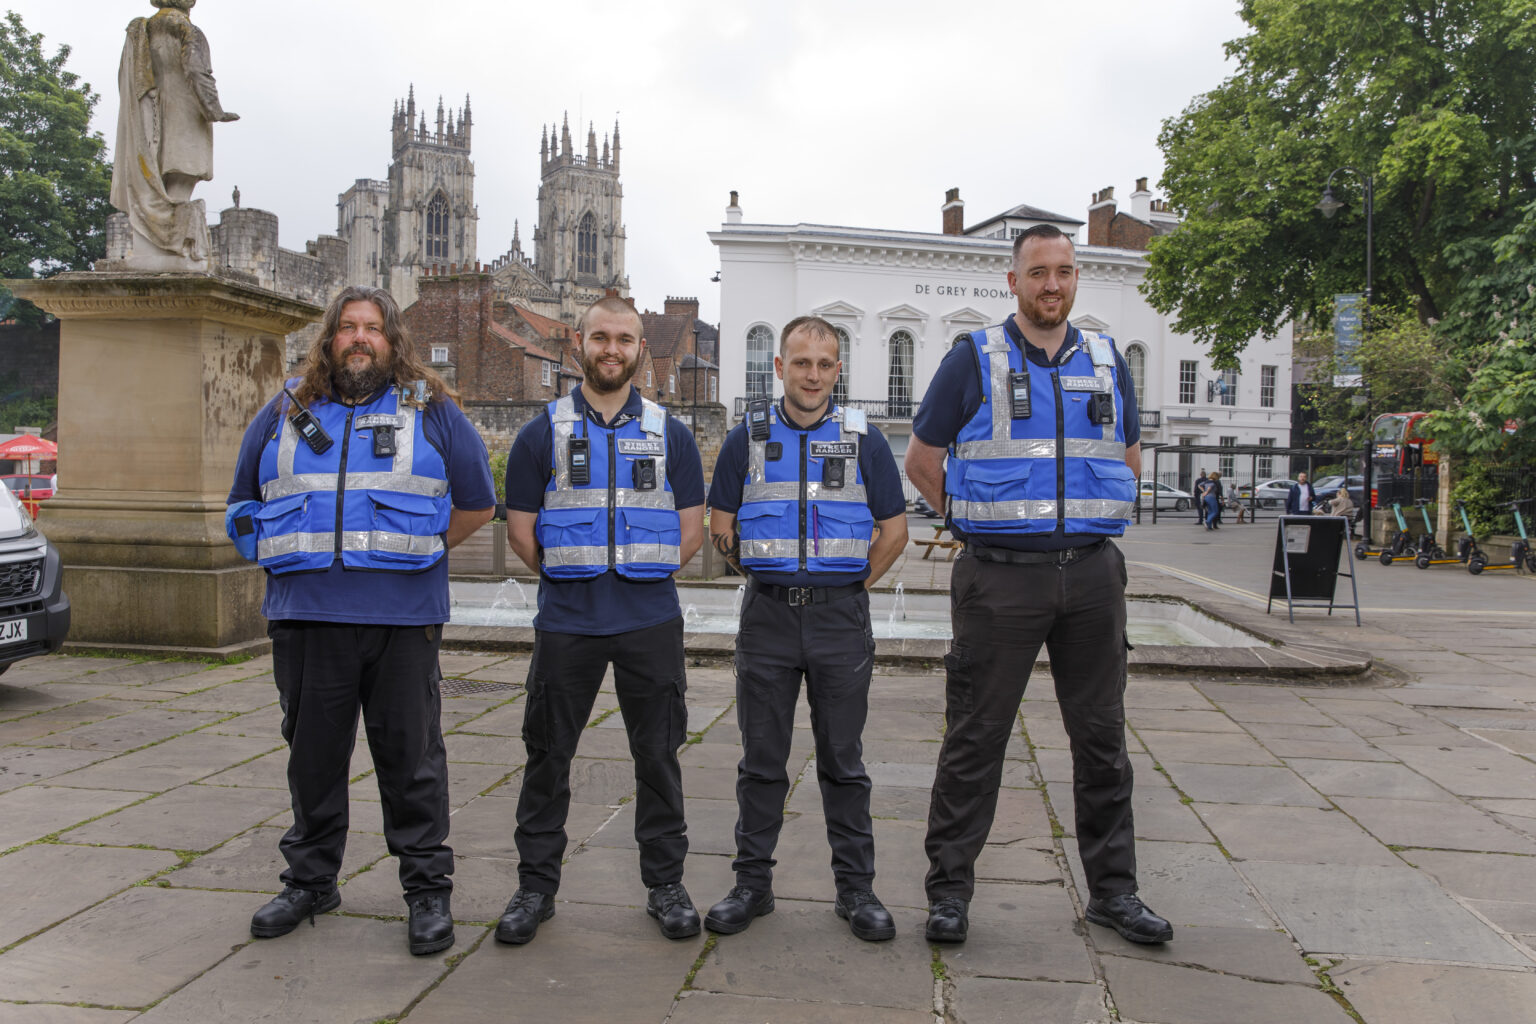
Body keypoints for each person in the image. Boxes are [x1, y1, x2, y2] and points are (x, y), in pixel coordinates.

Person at [905, 223, 1172, 947]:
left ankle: (1115, 894)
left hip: (1090, 576)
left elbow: (1128, 456)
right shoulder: (973, 358)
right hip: (1000, 581)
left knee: (1102, 741)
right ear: (1013, 282)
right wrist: (975, 527)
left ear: (1075, 279)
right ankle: (949, 894)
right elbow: (922, 459)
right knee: (976, 739)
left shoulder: (1110, 359)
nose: (1052, 284)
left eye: (1064, 271)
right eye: (1038, 272)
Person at [226, 285, 496, 955]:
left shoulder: (430, 411)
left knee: (412, 761)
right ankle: (311, 881)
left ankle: (427, 890)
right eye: (347, 327)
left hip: (402, 623)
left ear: (392, 340)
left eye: (372, 328)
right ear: (329, 339)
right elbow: (241, 507)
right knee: (312, 760)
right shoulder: (285, 409)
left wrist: (419, 552)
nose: (358, 338)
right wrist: (283, 559)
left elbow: (477, 503)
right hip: (306, 618)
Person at [497, 296, 706, 945]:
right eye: (600, 338)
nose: (612, 349)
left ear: (641, 348)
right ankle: (535, 888)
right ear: (579, 346)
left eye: (624, 339)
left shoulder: (670, 433)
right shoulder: (542, 432)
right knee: (547, 755)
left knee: (658, 756)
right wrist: (571, 576)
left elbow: (691, 530)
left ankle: (665, 885)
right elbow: (524, 534)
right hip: (568, 622)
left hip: (649, 620)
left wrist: (639, 573)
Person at [702, 317, 909, 942]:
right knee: (761, 760)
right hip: (767, 617)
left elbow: (894, 532)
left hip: (838, 617)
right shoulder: (746, 438)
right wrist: (769, 578)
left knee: (843, 762)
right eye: (801, 363)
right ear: (780, 368)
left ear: (837, 372)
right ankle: (752, 886)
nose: (812, 374)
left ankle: (856, 891)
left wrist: (845, 589)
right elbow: (720, 527)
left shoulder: (865, 439)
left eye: (824, 364)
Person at [112, 0, 239, 265]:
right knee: (181, 184)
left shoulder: (142, 32)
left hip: (151, 119)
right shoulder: (187, 30)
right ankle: (174, 248)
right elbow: (197, 72)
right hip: (185, 116)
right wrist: (215, 111)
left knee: (159, 183)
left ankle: (152, 247)